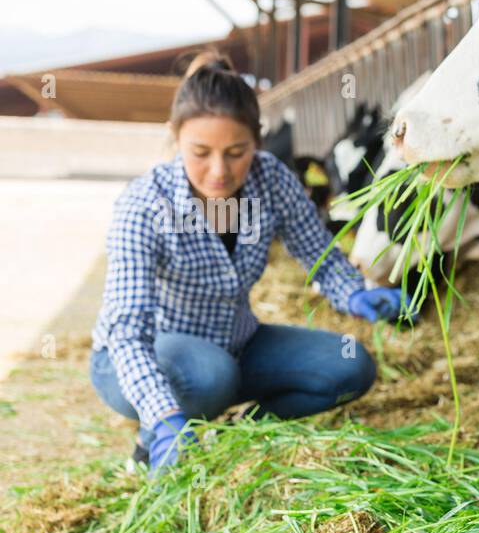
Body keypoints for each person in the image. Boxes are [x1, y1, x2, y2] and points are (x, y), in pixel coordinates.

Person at [90, 50, 414, 476]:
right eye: (201, 152)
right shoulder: (146, 203)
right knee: (210, 376)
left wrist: (355, 293)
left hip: (237, 344)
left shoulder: (271, 179)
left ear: (257, 141)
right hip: (144, 356)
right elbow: (127, 333)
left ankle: (236, 436)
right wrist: (163, 414)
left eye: (236, 151)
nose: (219, 171)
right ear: (175, 137)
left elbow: (316, 252)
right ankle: (154, 439)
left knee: (350, 365)